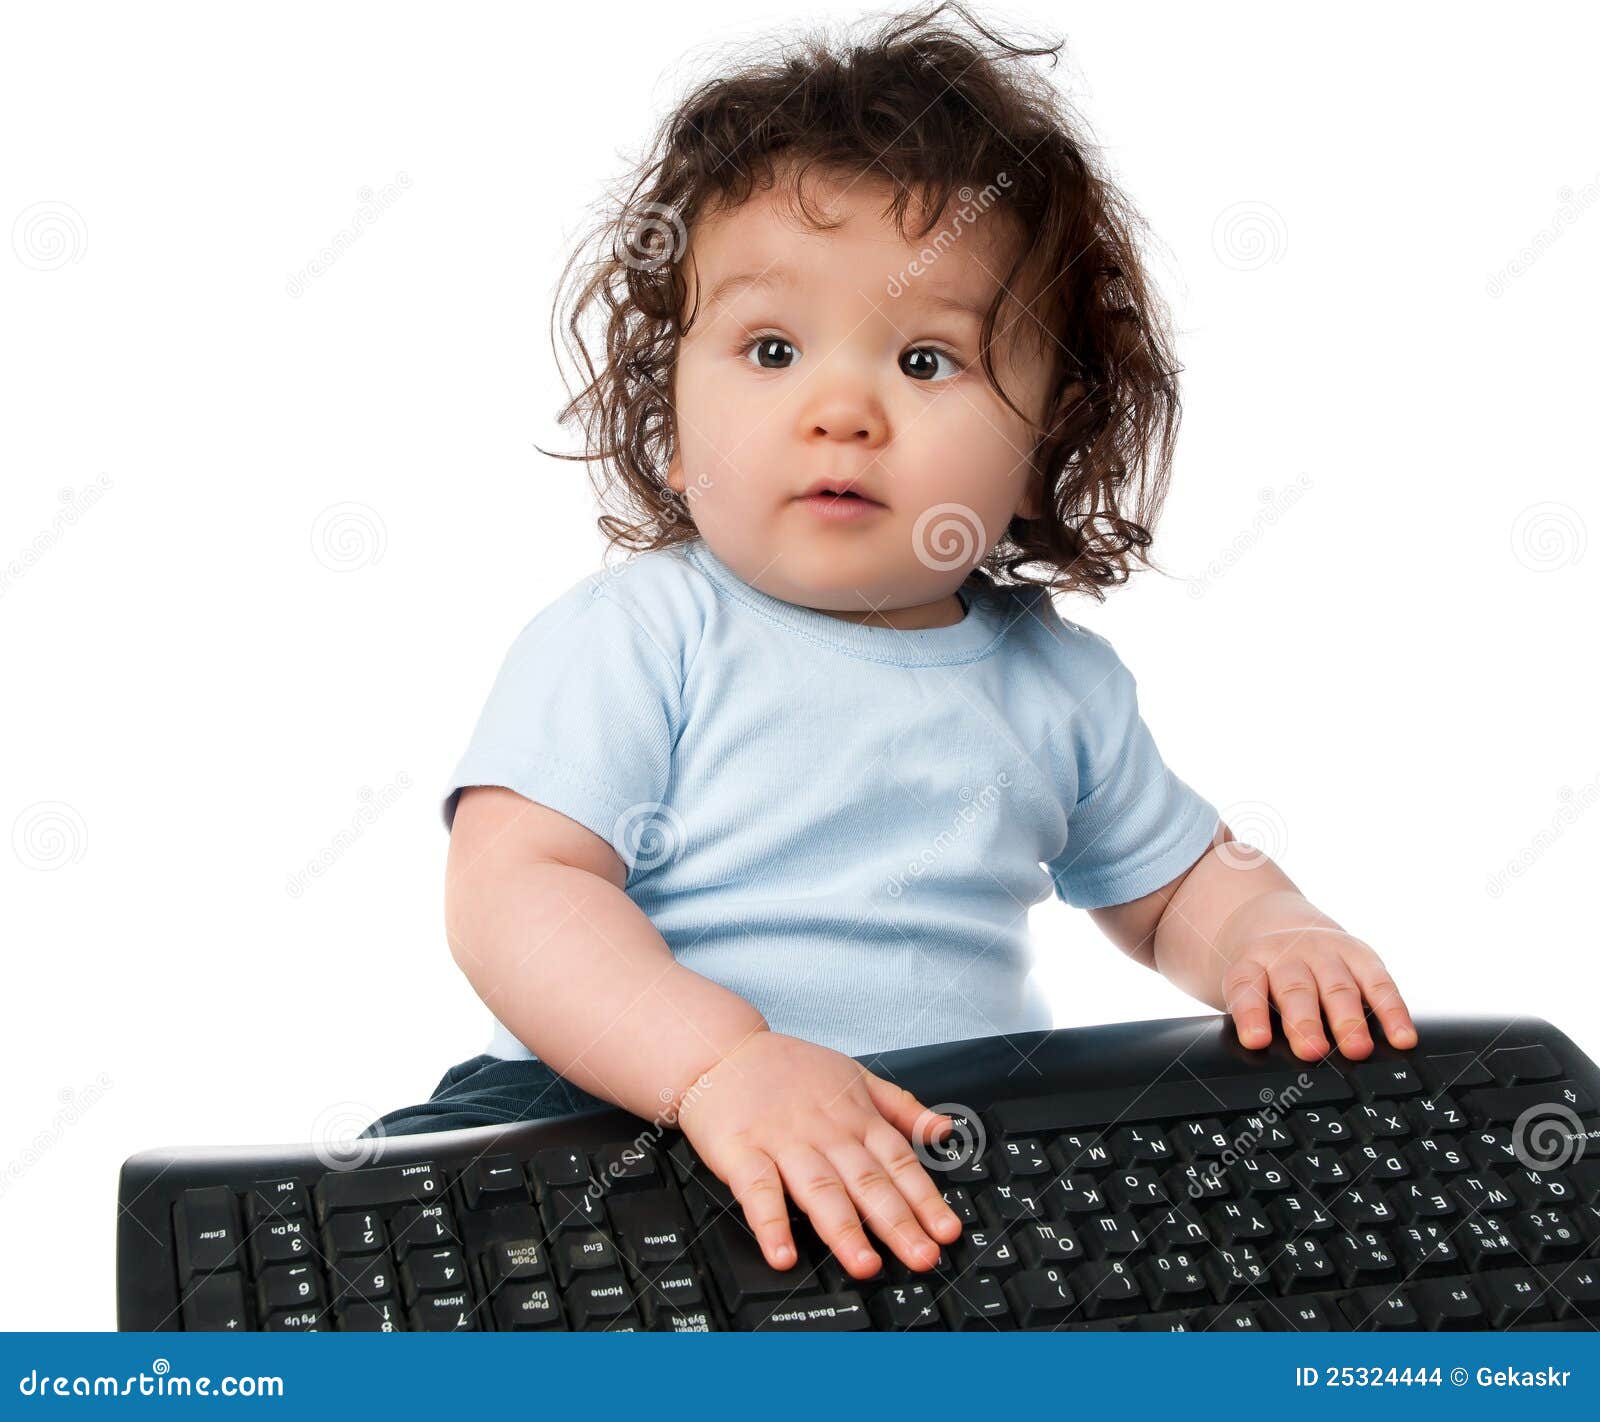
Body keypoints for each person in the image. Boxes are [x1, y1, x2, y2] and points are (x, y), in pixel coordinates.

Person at [360, 1, 1416, 1290]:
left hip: (928, 1147)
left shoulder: (1057, 683)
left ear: (1048, 441)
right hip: (616, 1108)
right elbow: (515, 891)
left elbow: (1184, 881)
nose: (842, 410)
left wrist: (1272, 933)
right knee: (424, 1278)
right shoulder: (643, 635)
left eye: (927, 359)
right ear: (673, 422)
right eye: (770, 349)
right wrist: (720, 1063)